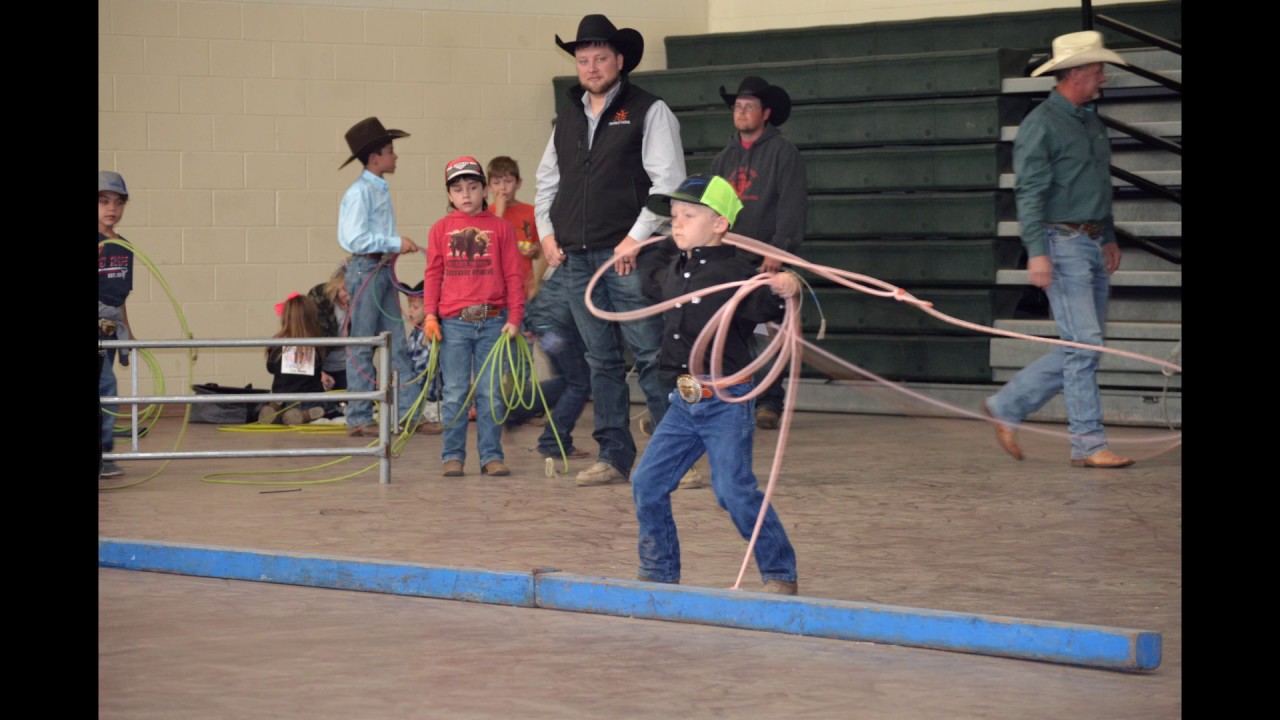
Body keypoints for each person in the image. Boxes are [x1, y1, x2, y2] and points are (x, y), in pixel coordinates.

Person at [534, 13, 687, 487]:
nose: (591, 67)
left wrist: (634, 238)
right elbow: (546, 182)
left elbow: (669, 184)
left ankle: (676, 459)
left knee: (650, 354)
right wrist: (546, 234)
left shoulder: (649, 110)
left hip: (631, 257)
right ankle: (613, 455)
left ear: (619, 60)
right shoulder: (567, 117)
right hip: (578, 259)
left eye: (600, 58)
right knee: (600, 360)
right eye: (584, 60)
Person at [630, 174, 801, 594]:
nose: (677, 222)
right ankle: (658, 571)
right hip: (684, 399)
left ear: (721, 224)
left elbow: (768, 306)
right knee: (647, 482)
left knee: (732, 490)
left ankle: (779, 571)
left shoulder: (738, 275)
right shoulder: (674, 268)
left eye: (689, 215)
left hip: (726, 397)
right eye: (673, 216)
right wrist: (649, 245)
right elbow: (649, 278)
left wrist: (787, 287)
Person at [983, 31, 1134, 470]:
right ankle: (1088, 443)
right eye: (1097, 70)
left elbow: (1097, 183)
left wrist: (1107, 235)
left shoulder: (1088, 121)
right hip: (1062, 242)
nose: (1103, 77)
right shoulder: (1042, 124)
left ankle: (1008, 404)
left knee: (1084, 344)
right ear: (1075, 74)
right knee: (1085, 344)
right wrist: (1037, 251)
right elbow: (1029, 192)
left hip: (1089, 240)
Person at [710, 76, 808, 431]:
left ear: (766, 113)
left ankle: (769, 401)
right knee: (728, 333)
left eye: (749, 106)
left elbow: (792, 204)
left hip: (765, 259)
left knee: (768, 334)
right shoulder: (723, 160)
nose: (741, 112)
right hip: (729, 259)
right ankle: (736, 397)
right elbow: (711, 209)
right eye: (737, 106)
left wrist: (778, 249)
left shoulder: (784, 153)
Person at [421, 156, 525, 477]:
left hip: (493, 321)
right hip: (454, 323)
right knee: (454, 392)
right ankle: (453, 455)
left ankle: (491, 455)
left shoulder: (501, 228)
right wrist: (430, 315)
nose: (465, 194)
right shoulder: (440, 230)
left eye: (472, 187)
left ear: (484, 190)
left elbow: (514, 275)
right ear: (449, 195)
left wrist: (515, 317)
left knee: (490, 392)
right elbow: (433, 274)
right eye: (458, 189)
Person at [336, 116, 428, 437]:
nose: (395, 156)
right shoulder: (359, 193)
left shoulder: (375, 189)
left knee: (396, 342)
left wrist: (393, 245)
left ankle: (409, 413)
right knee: (363, 344)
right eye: (390, 151)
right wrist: (394, 242)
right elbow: (354, 238)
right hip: (366, 269)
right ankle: (359, 417)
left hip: (379, 269)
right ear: (375, 158)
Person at [504, 263, 593, 461]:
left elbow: (538, 293)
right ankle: (553, 441)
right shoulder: (580, 261)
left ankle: (514, 411)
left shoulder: (555, 264)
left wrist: (530, 323)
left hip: (546, 328)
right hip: (561, 328)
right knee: (579, 384)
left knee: (567, 381)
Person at [99, 171, 137, 479]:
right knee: (105, 384)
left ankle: (104, 452)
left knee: (105, 386)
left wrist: (127, 329)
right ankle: (104, 452)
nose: (112, 208)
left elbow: (120, 294)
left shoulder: (123, 246)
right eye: (103, 201)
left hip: (108, 327)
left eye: (118, 202)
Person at [260, 293, 331, 426]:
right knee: (330, 406)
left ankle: (276, 408)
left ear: (285, 318)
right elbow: (316, 374)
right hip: (307, 399)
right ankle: (304, 415)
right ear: (312, 318)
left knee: (280, 398)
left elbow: (270, 368)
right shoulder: (317, 345)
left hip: (281, 396)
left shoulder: (276, 344)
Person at [486, 156, 546, 301]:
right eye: (496, 182)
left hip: (523, 288)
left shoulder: (530, 212)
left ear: (518, 183)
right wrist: (499, 212)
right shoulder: (485, 214)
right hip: (494, 291)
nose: (502, 187)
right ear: (489, 187)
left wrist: (535, 250)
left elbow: (542, 250)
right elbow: (487, 248)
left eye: (508, 181)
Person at [307, 264, 351, 417]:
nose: (349, 295)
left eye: (354, 290)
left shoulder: (361, 303)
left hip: (348, 367)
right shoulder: (319, 298)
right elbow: (308, 337)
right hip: (322, 366)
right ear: (336, 286)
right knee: (323, 409)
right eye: (345, 289)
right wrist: (318, 372)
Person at [404, 281, 444, 434]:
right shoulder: (415, 333)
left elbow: (424, 372)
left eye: (415, 308)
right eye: (410, 307)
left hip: (431, 397)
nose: (410, 311)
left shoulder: (431, 335)